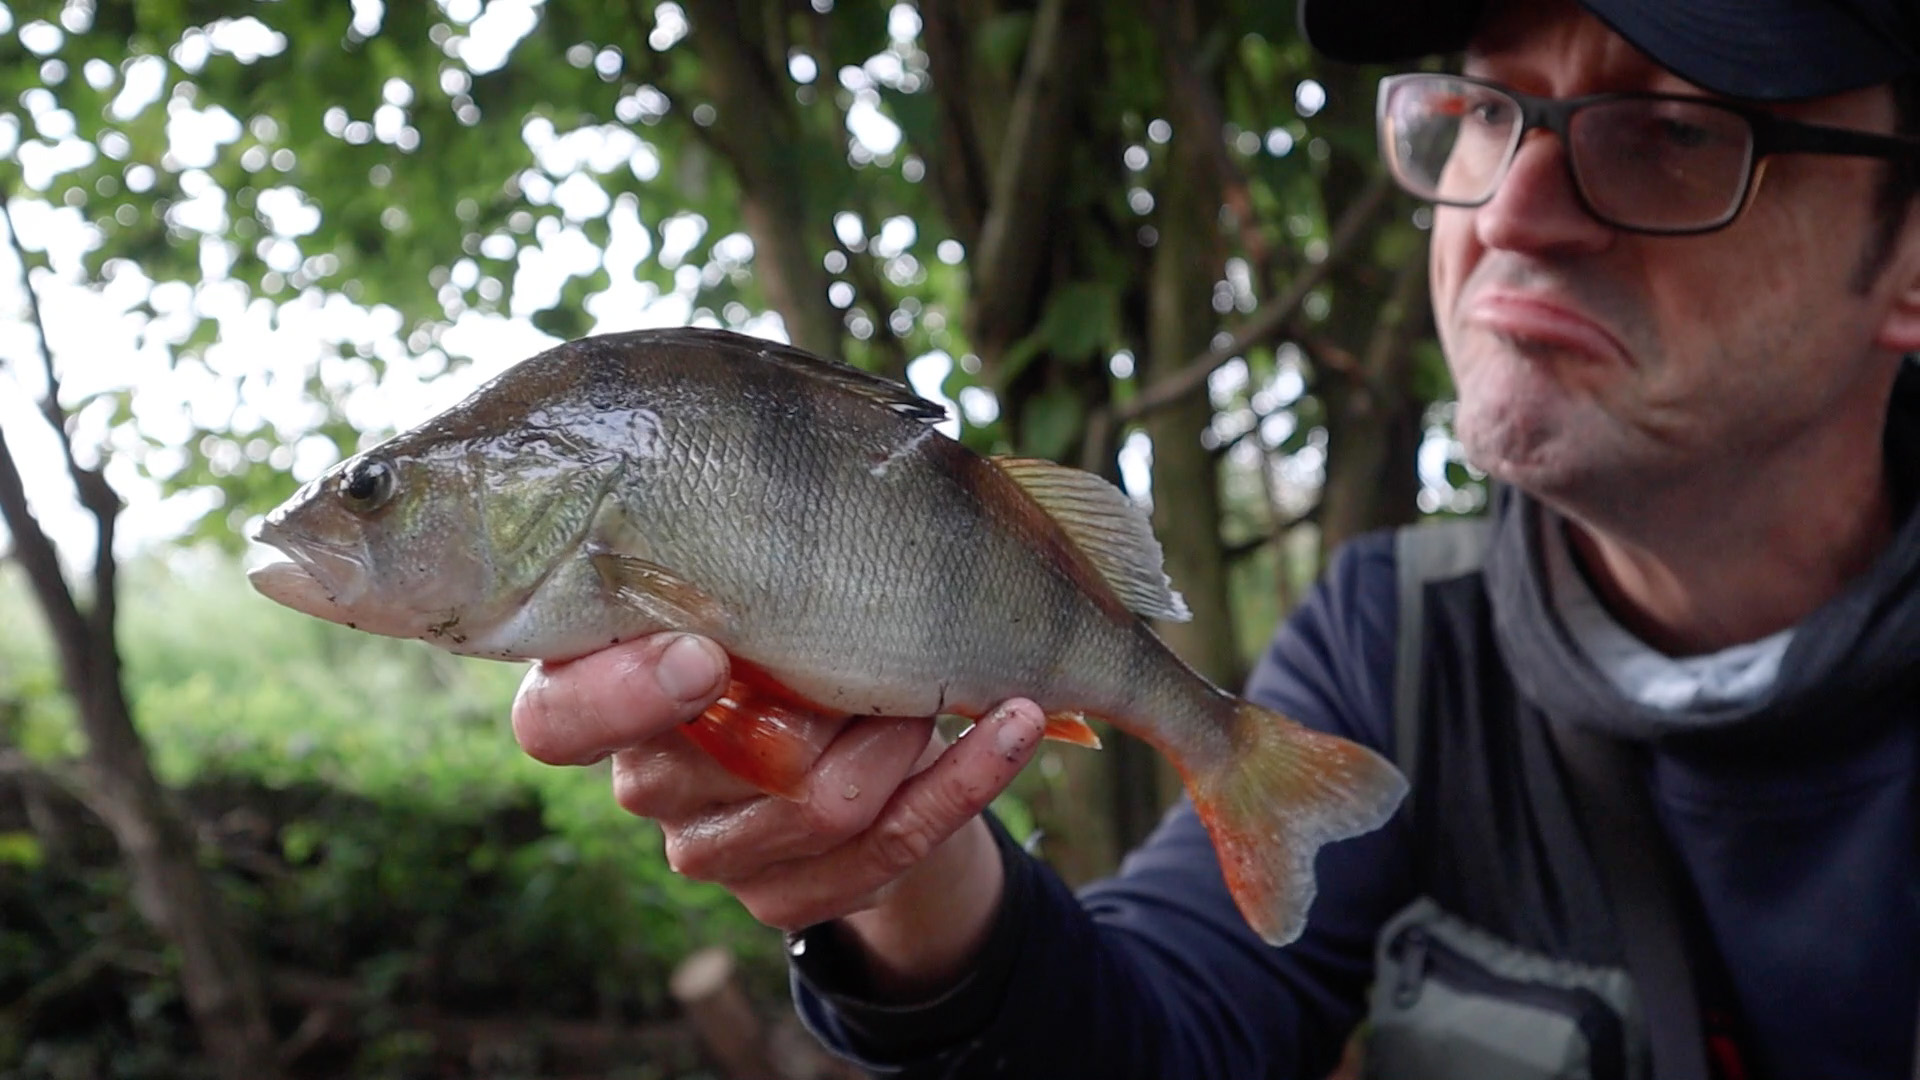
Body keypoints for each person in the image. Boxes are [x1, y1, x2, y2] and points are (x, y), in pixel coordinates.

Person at [509, 0, 1920, 1075]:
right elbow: (1170, 1038)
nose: (1514, 208)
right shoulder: (1392, 637)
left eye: (1674, 132)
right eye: (1487, 110)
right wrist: (902, 860)